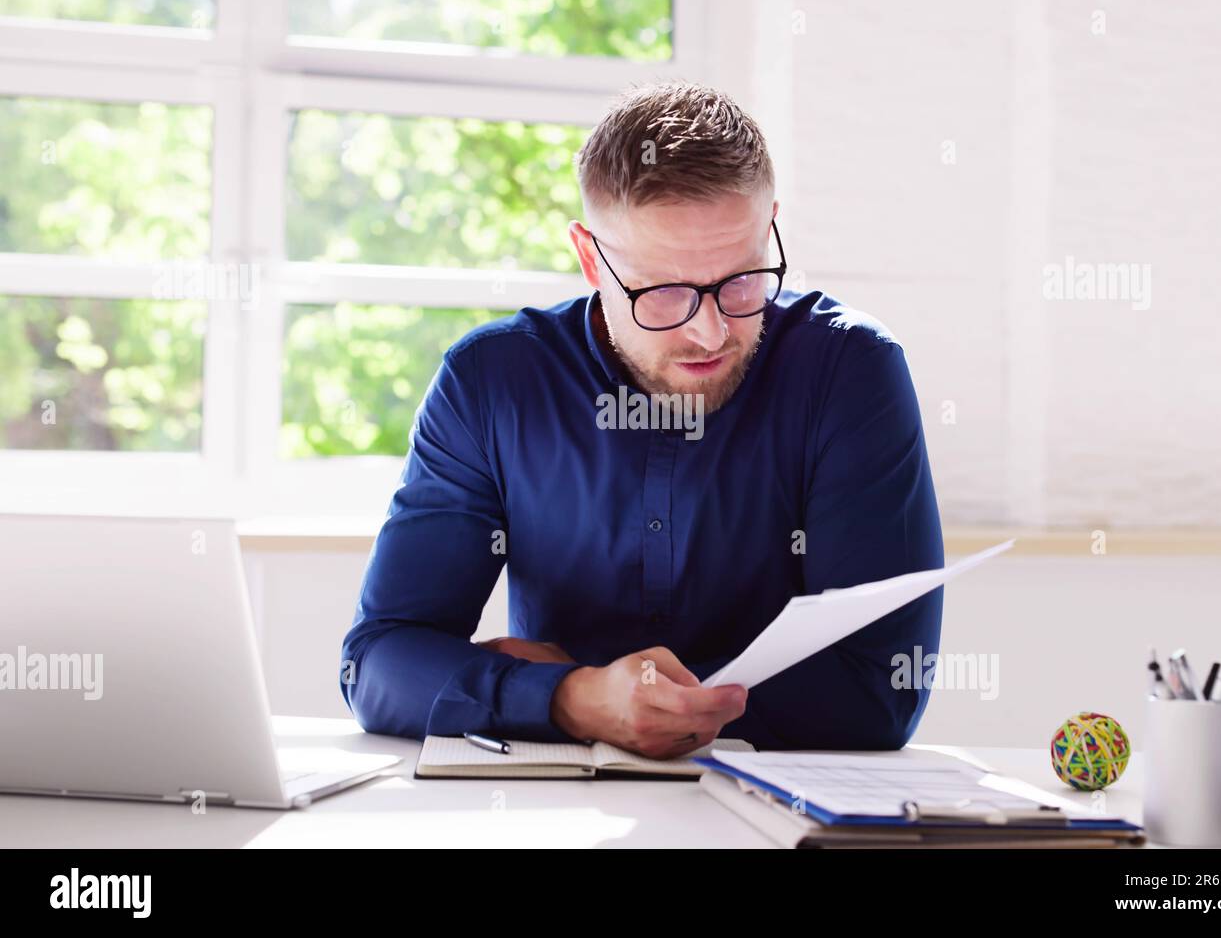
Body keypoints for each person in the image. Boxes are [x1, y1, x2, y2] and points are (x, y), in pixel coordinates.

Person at [340, 81, 944, 759]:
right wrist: (577, 700)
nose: (712, 331)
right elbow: (377, 667)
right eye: (666, 292)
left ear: (771, 224)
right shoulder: (493, 384)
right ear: (591, 260)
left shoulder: (850, 373)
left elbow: (882, 692)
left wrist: (551, 691)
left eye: (742, 279)